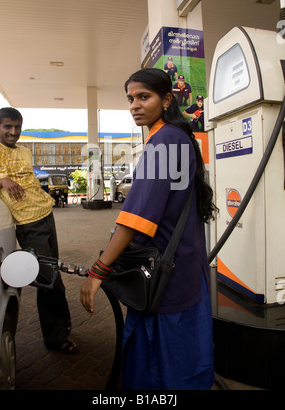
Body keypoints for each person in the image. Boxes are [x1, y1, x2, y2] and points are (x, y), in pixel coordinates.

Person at [80, 68, 218, 390]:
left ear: (166, 99)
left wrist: (99, 270)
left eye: (144, 96)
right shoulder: (177, 137)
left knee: (163, 366)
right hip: (184, 269)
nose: (134, 105)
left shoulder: (166, 140)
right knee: (185, 358)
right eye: (131, 98)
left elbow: (134, 219)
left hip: (165, 278)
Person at [0, 107, 77, 355]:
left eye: (17, 127)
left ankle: (64, 322)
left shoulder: (25, 152)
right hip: (26, 224)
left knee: (54, 275)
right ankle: (55, 338)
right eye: (7, 127)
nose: (13, 132)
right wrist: (0, 182)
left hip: (46, 215)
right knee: (46, 280)